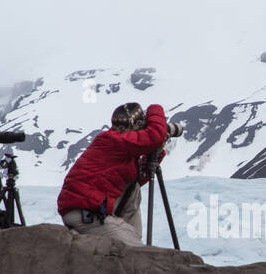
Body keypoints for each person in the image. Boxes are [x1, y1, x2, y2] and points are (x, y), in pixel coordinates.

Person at [57, 101, 181, 245]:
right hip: (88, 214)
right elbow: (154, 136)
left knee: (133, 188)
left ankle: (128, 233)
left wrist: (156, 153)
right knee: (138, 254)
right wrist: (155, 109)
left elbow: (136, 180)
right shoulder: (112, 139)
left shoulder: (120, 147)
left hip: (94, 211)